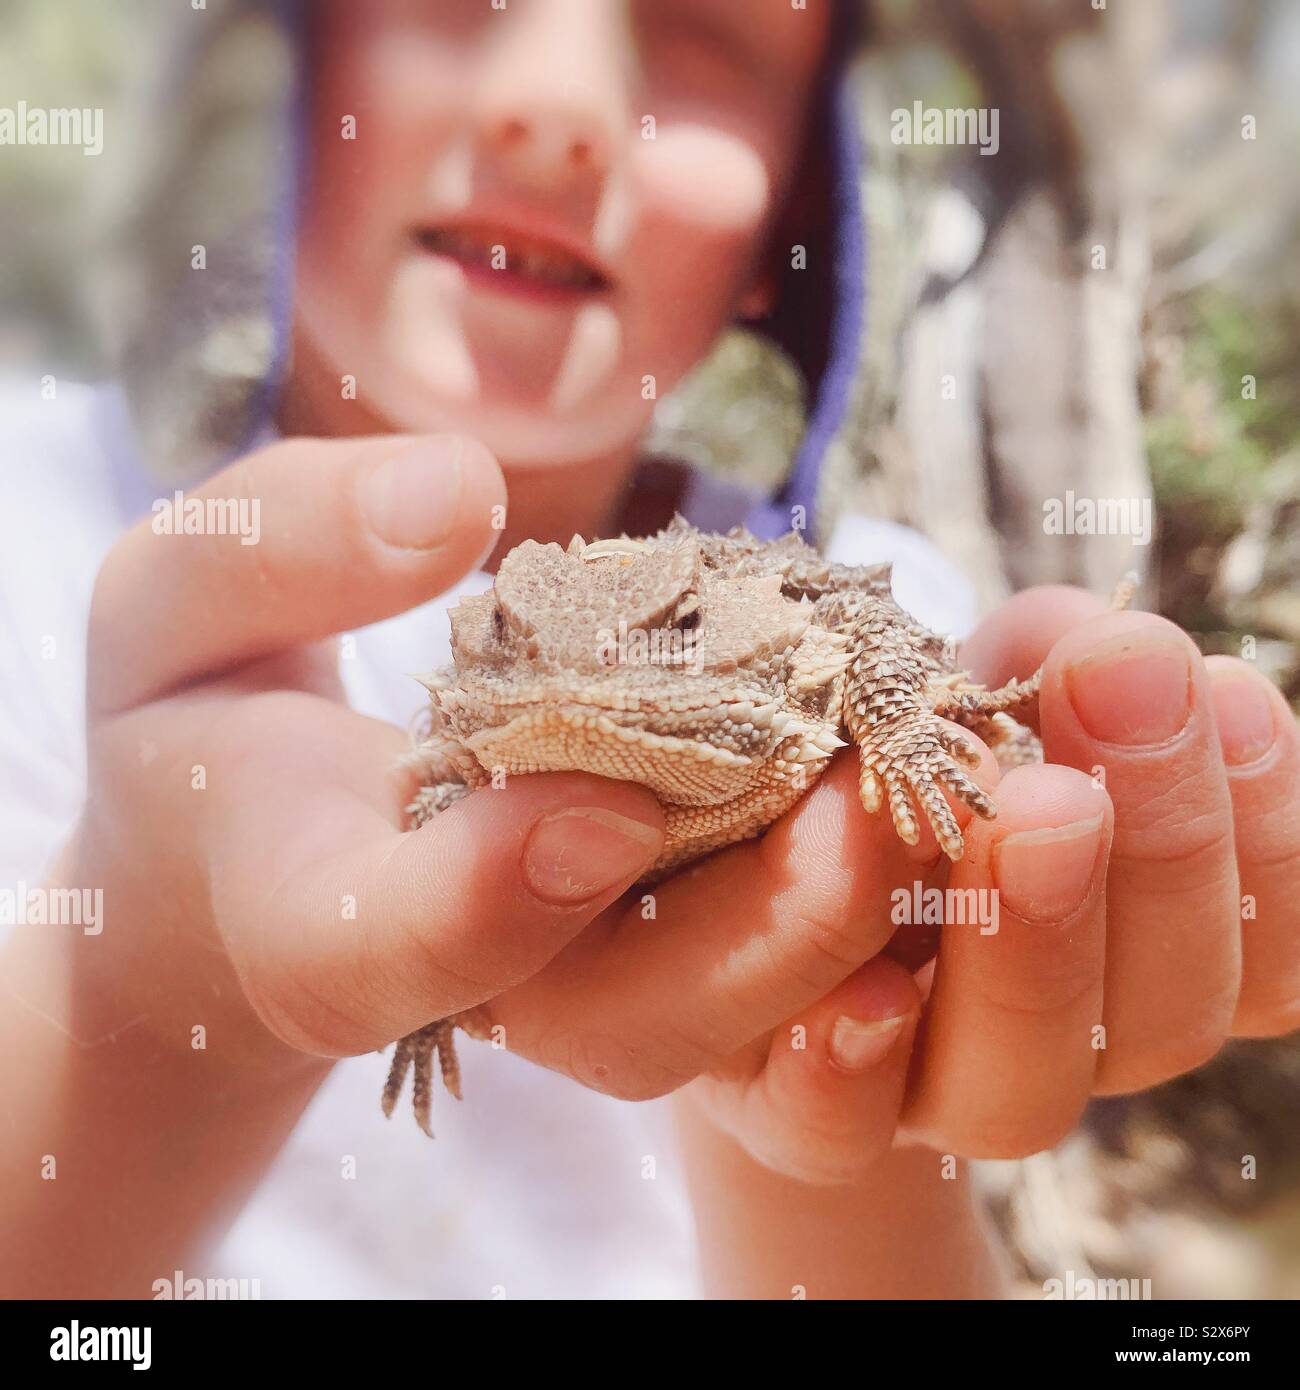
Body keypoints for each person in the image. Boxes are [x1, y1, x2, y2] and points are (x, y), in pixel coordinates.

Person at [2, 0, 1296, 1300]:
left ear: (783, 233)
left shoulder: (866, 590)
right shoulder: (37, 523)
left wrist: (834, 1069)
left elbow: (860, 643)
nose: (560, 108)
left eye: (707, 33)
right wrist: (169, 998)